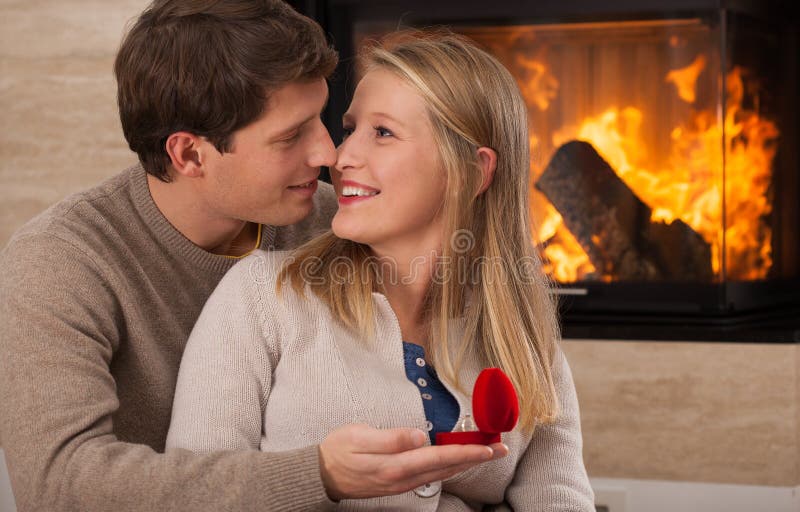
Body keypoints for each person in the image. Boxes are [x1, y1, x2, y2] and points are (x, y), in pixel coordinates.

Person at [0, 3, 501, 511]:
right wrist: (318, 474)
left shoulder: (337, 222)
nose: (329, 155)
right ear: (190, 155)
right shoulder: (60, 263)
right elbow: (58, 486)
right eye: (291, 136)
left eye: (323, 121)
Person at [166, 30, 595, 510]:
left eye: (383, 133)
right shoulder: (264, 295)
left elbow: (558, 499)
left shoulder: (518, 329)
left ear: (473, 172)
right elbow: (195, 495)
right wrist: (321, 477)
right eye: (350, 128)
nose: (341, 157)